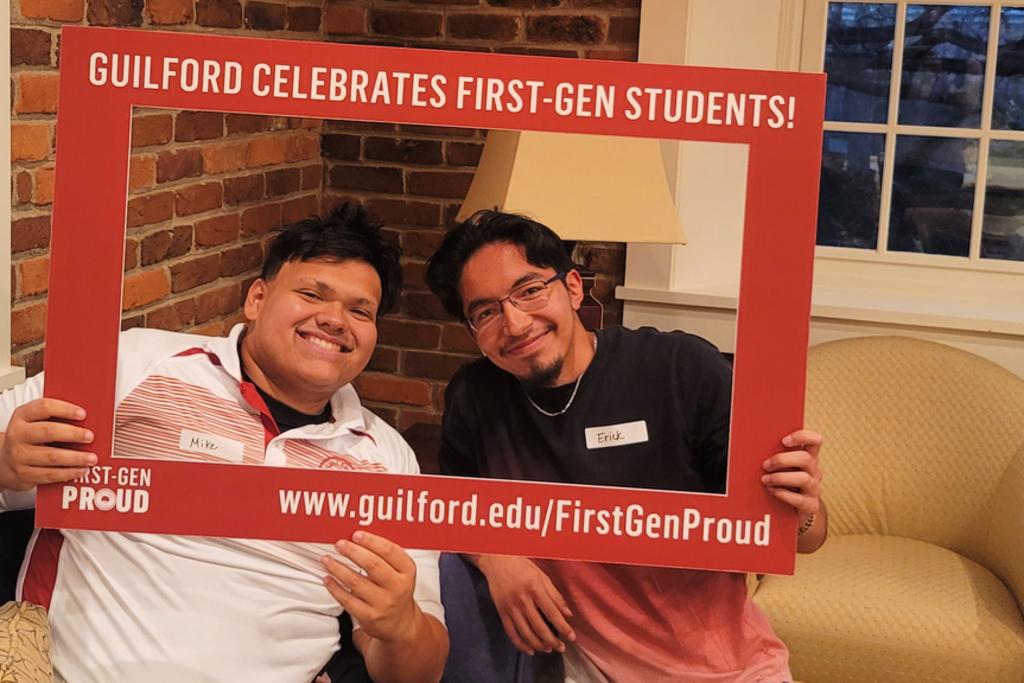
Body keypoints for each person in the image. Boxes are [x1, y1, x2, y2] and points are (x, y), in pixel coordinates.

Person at [0, 203, 448, 683]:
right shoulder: (134, 364)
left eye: (361, 310)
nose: (335, 320)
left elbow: (418, 672)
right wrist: (5, 461)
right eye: (312, 294)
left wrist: (400, 627)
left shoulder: (386, 459)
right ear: (256, 298)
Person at [423, 210, 827, 683]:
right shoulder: (476, 395)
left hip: (723, 669)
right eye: (486, 311)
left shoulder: (679, 368)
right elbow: (452, 510)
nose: (514, 323)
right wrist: (496, 558)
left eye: (530, 290)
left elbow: (802, 540)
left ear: (573, 287)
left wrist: (802, 510)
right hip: (579, 666)